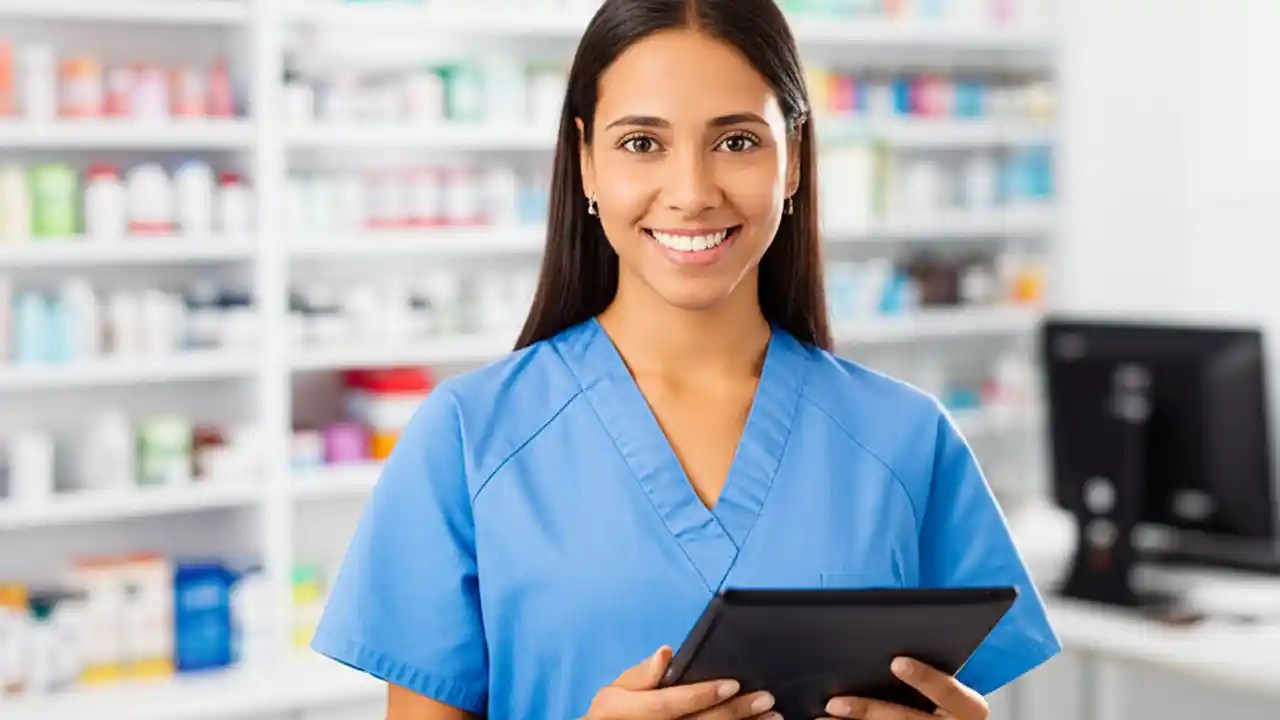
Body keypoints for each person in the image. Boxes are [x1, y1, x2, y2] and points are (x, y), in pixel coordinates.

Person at [311, 0, 1061, 718]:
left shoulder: (906, 440)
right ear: (586, 162)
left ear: (793, 160)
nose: (692, 193)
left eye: (736, 142)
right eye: (643, 143)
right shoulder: (468, 438)